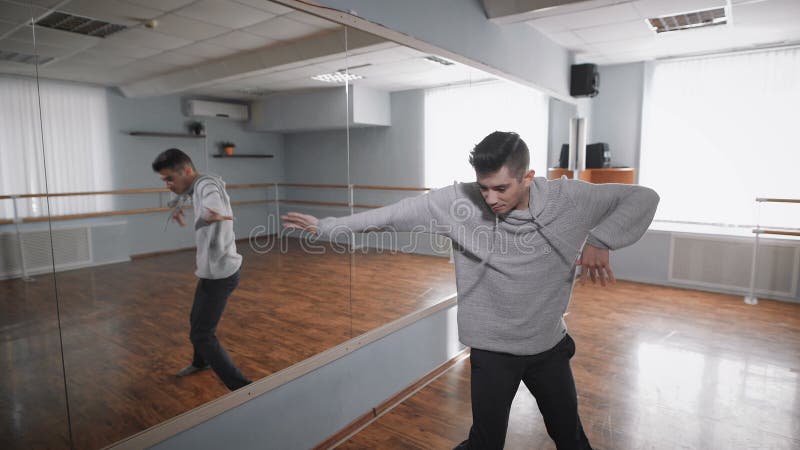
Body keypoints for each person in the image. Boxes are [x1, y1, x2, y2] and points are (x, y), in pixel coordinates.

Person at [282, 131, 658, 449]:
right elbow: (394, 214)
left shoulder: (568, 199)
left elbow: (643, 197)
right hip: (492, 350)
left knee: (569, 437)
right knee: (485, 442)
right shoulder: (460, 202)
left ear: (527, 177)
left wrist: (601, 240)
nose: (490, 199)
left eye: (501, 188)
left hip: (547, 347)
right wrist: (328, 226)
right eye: (484, 188)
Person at [152, 148, 251, 391]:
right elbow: (184, 193)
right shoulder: (193, 184)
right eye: (164, 180)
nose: (167, 184)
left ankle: (242, 388)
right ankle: (201, 362)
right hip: (211, 271)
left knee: (202, 334)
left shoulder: (207, 185)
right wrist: (176, 206)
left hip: (220, 274)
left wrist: (210, 212)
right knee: (195, 321)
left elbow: (212, 197)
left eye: (169, 179)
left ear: (186, 171)